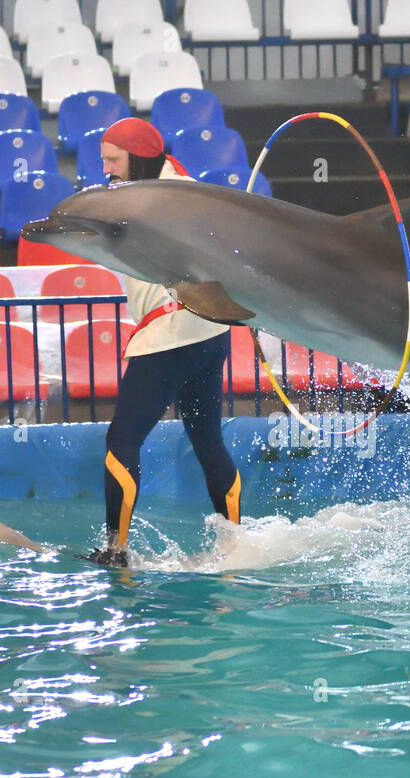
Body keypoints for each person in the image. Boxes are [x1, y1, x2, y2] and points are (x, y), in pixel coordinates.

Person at [85, 117, 242, 568]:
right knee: (208, 441)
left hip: (170, 335)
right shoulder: (184, 188)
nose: (107, 168)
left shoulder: (155, 197)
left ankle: (115, 550)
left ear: (137, 157)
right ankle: (235, 544)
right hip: (209, 332)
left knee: (123, 439)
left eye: (113, 159)